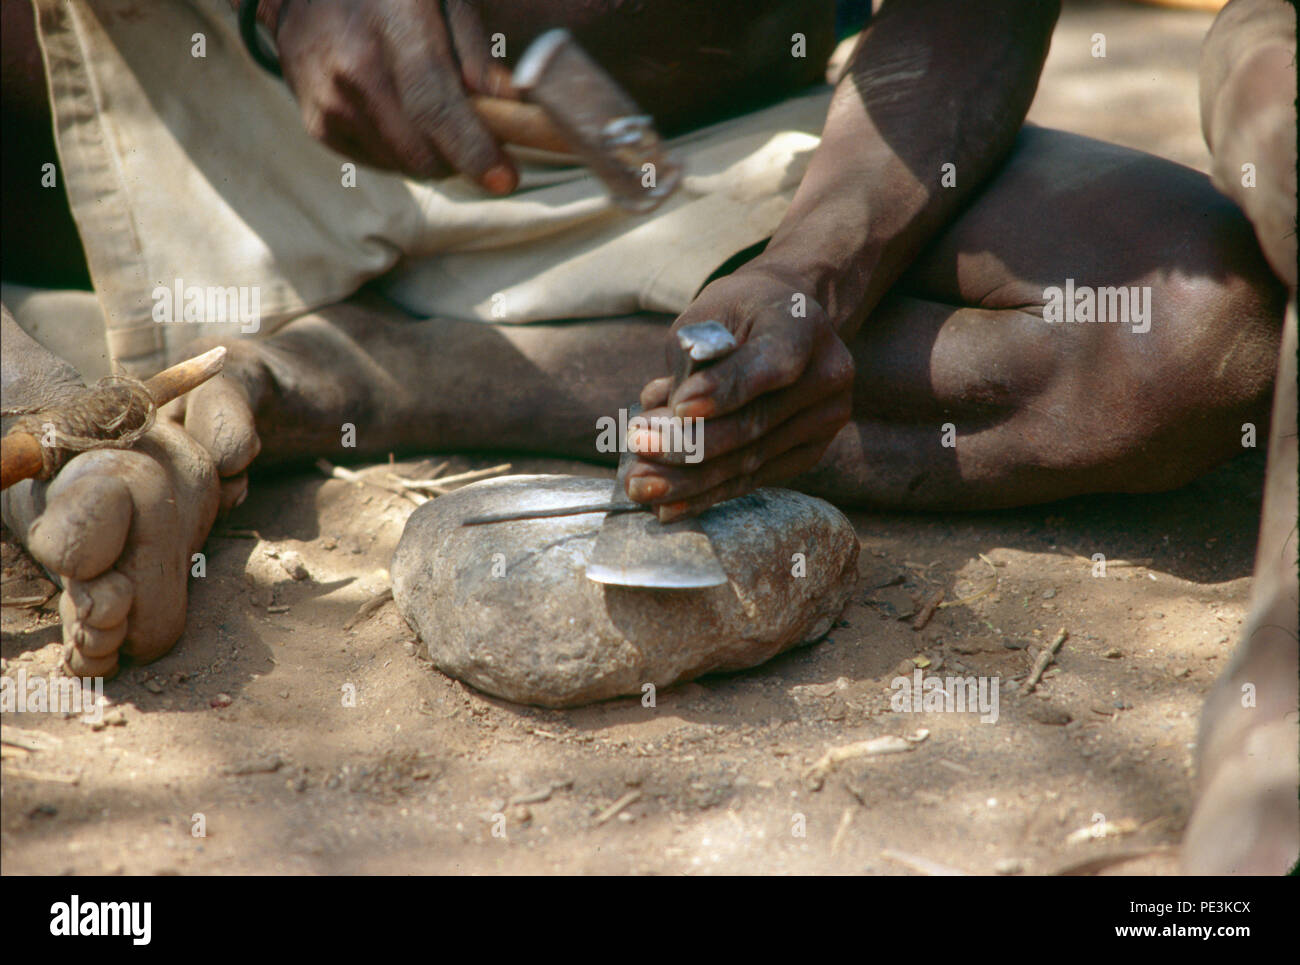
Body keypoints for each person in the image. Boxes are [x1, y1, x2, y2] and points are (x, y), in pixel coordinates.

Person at [1, 0, 1285, 715]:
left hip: (687, 150)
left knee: (1185, 339)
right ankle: (62, 368)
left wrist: (813, 277)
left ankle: (340, 375)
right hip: (213, 93)